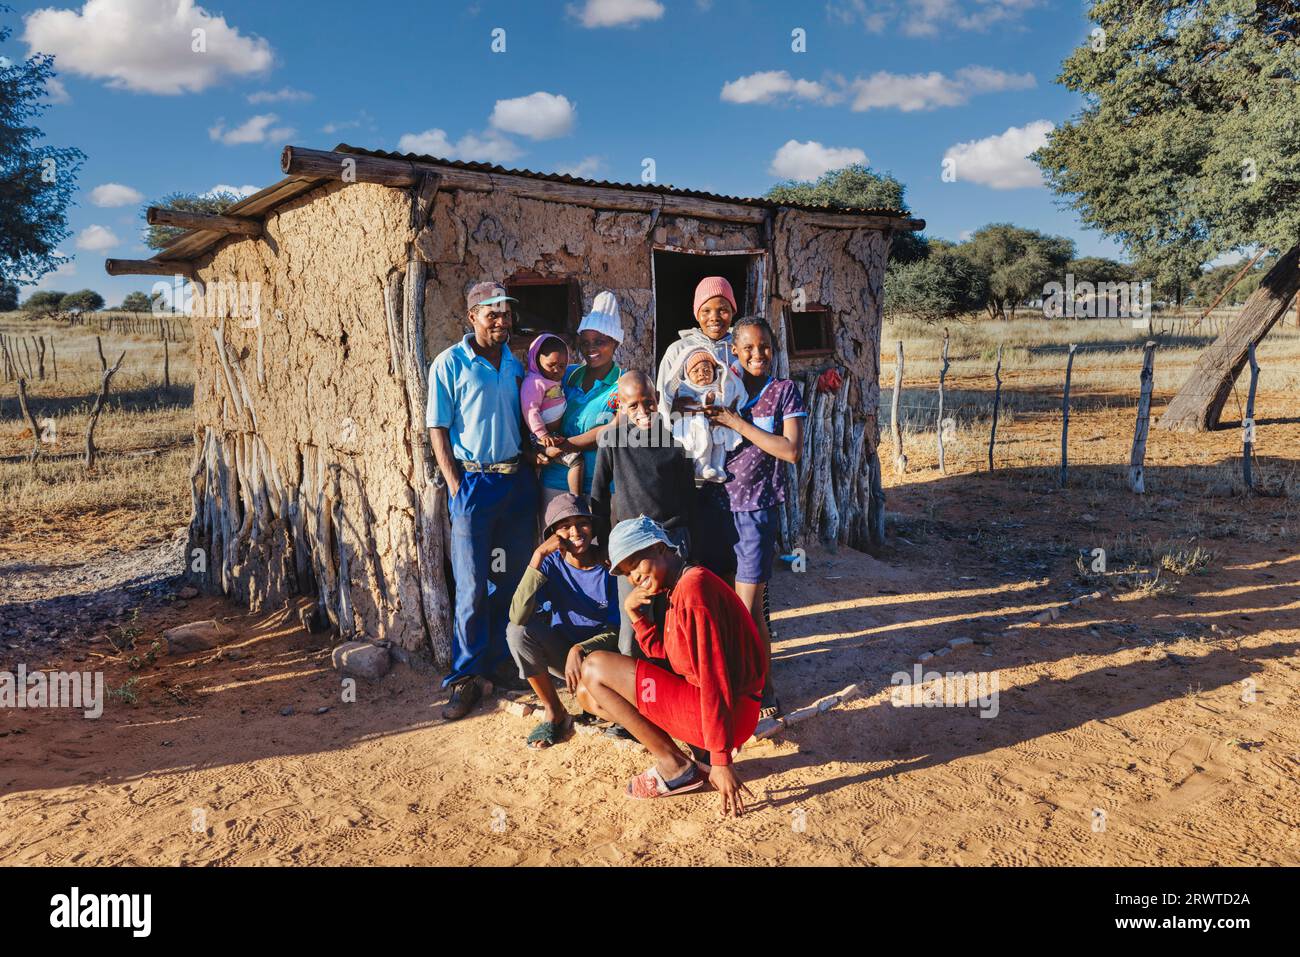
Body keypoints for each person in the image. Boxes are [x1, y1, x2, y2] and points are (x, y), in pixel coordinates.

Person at [575, 516, 767, 817]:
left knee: (595, 667)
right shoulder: (680, 585)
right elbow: (669, 655)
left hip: (732, 712)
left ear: (660, 547)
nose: (634, 577)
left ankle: (676, 766)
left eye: (636, 562)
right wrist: (635, 615)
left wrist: (720, 760)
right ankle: (693, 752)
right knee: (587, 694)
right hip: (723, 708)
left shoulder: (693, 591)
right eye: (626, 573)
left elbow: (714, 677)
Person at [427, 280, 538, 721]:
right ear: (471, 316)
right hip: (473, 485)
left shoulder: (515, 364)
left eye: (506, 313)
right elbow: (437, 427)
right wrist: (454, 483)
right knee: (472, 585)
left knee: (511, 580)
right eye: (491, 313)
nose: (501, 320)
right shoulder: (450, 363)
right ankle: (465, 677)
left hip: (516, 483)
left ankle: (501, 663)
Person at [701, 315, 805, 719]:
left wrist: (737, 422)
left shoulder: (783, 392)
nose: (757, 354)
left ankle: (763, 688)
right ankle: (730, 681)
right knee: (723, 603)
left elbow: (790, 450)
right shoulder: (723, 387)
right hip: (714, 506)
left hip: (756, 510)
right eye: (747, 348)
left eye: (764, 347)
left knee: (748, 609)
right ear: (735, 351)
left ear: (773, 349)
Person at [589, 370, 696, 658]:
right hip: (630, 550)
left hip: (671, 544)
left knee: (673, 621)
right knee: (634, 625)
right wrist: (603, 544)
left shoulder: (674, 440)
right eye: (632, 405)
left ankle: (674, 688)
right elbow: (598, 495)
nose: (643, 411)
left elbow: (688, 497)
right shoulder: (612, 440)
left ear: (657, 399)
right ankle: (635, 692)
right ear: (620, 406)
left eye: (648, 402)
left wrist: (686, 545)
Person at [505, 494, 619, 749]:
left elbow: (618, 630)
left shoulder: (609, 566)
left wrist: (581, 649)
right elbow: (517, 616)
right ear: (554, 535)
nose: (576, 532)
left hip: (603, 658)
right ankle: (554, 710)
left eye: (582, 523)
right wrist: (537, 556)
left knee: (595, 703)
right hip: (564, 657)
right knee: (517, 632)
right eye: (565, 526)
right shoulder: (551, 564)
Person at [538, 291, 624, 508]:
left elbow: (612, 430)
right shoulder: (567, 375)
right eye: (584, 343)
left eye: (599, 341)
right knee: (557, 541)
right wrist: (540, 449)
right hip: (556, 479)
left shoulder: (624, 384)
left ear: (615, 343)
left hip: (602, 484)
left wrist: (563, 446)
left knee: (599, 541)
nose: (590, 349)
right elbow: (536, 407)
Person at [662, 346, 743, 482]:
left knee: (720, 442)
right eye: (696, 371)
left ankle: (718, 467)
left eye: (707, 370)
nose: (702, 373)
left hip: (718, 423)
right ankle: (703, 466)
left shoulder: (720, 385)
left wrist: (716, 399)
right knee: (703, 438)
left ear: (714, 372)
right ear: (688, 374)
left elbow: (726, 400)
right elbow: (685, 405)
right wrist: (705, 401)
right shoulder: (685, 387)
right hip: (697, 425)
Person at [520, 333, 584, 495]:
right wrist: (543, 434)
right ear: (537, 361)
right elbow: (530, 411)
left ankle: (549, 451)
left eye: (562, 366)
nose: (557, 370)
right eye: (551, 365)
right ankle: (576, 498)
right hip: (539, 436)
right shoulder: (534, 383)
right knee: (576, 461)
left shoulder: (554, 380)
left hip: (552, 434)